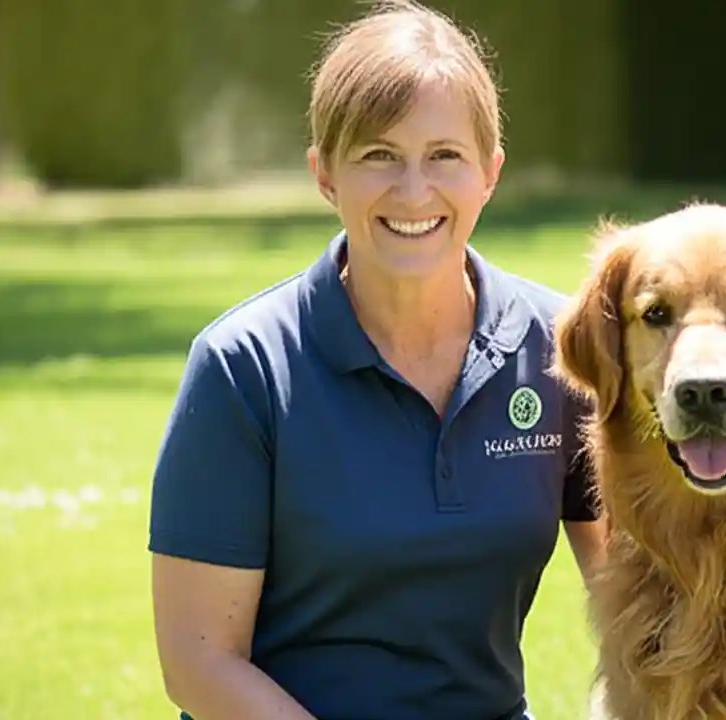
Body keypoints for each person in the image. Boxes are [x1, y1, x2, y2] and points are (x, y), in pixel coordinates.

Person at [147, 2, 607, 718]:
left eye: (444, 156)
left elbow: (645, 599)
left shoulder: (563, 348)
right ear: (324, 173)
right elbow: (199, 661)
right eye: (378, 156)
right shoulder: (244, 367)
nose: (414, 191)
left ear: (490, 172)